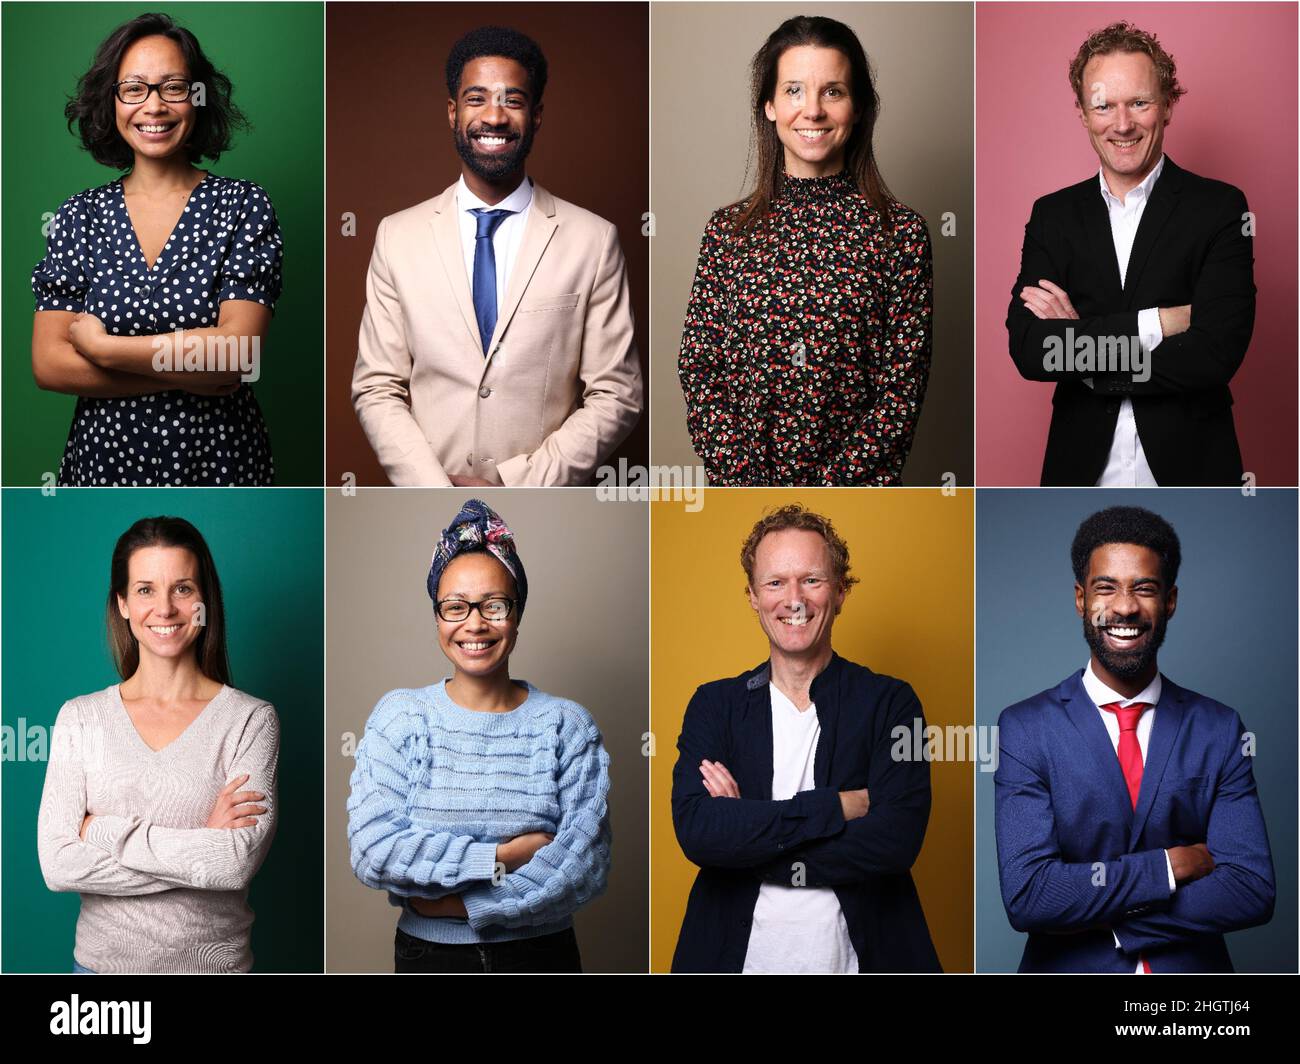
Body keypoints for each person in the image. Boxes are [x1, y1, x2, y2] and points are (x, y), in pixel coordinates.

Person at [351, 26, 642, 487]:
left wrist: (516, 483)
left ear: (537, 114)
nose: (495, 116)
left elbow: (617, 394)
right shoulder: (397, 236)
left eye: (513, 100)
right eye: (476, 98)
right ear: (452, 112)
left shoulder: (593, 239)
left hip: (543, 502)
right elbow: (376, 387)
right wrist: (433, 488)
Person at [994, 506, 1275, 972]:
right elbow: (1030, 896)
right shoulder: (1025, 729)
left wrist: (1118, 924)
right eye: (1107, 587)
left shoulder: (1220, 728)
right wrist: (1169, 866)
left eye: (1144, 588)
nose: (1125, 607)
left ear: (1170, 601)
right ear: (1081, 599)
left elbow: (1250, 888)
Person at [670, 504, 939, 972]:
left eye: (811, 580)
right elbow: (700, 834)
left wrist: (747, 837)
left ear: (840, 592)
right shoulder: (714, 705)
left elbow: (896, 841)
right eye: (775, 582)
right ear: (753, 596)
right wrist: (835, 807)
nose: (794, 599)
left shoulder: (892, 703)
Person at [347, 499, 611, 972]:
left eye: (493, 605)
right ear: (437, 617)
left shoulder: (568, 726)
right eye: (455, 607)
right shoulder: (400, 718)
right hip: (429, 958)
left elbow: (583, 869)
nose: (475, 623)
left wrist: (460, 906)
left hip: (542, 958)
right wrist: (503, 856)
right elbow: (374, 851)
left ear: (517, 613)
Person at [676, 16, 932, 487]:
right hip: (740, 492)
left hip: (861, 495)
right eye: (794, 90)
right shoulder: (727, 232)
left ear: (857, 108)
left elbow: (901, 393)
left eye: (832, 91)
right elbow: (700, 366)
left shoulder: (899, 233)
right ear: (770, 105)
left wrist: (834, 491)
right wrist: (744, 485)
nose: (812, 110)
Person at [31, 13, 282, 487]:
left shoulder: (243, 205)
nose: (154, 106)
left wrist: (103, 348)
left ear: (198, 97)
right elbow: (49, 363)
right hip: (103, 461)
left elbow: (236, 354)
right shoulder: (78, 215)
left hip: (219, 458)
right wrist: (187, 374)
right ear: (113, 100)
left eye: (173, 87)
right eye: (134, 89)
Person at [1006, 22, 1254, 486]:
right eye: (1104, 105)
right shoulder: (1052, 216)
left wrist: (1080, 345)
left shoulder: (1221, 208)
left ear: (1167, 106)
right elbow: (1030, 350)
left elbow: (1216, 352)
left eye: (1139, 102)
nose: (1122, 124)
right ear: (1083, 113)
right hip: (1077, 471)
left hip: (1194, 472)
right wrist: (1157, 323)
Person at [37, 517, 279, 973]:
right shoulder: (80, 717)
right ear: (123, 603)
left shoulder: (250, 719)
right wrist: (199, 847)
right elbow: (58, 864)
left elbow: (232, 864)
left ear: (205, 601)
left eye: (183, 588)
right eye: (146, 589)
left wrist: (101, 831)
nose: (165, 608)